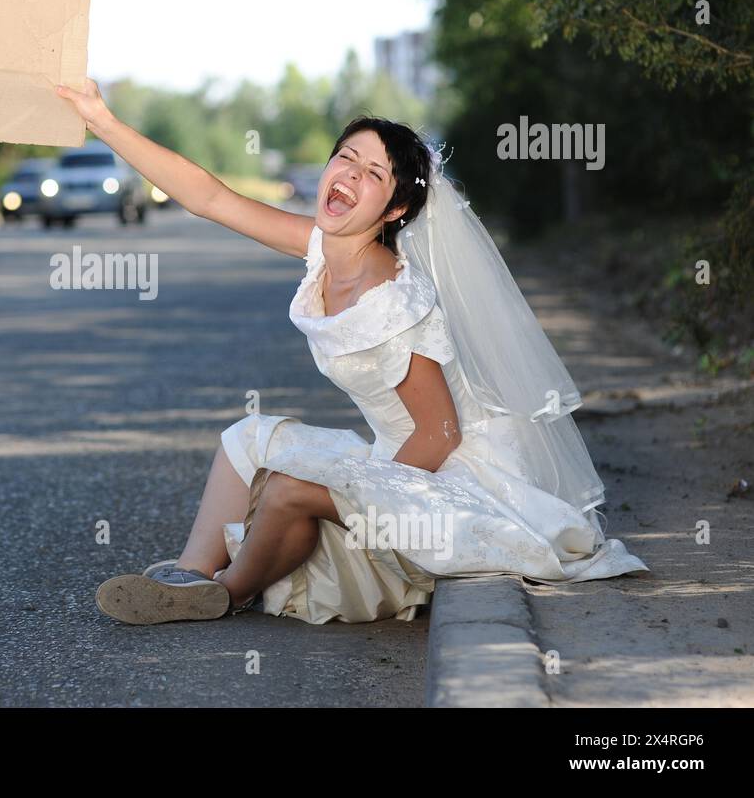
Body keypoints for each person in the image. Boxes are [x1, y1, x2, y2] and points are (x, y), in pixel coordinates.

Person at [55, 80, 649, 626]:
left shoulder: (393, 300)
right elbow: (211, 198)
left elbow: (441, 432)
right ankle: (190, 572)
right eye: (347, 157)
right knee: (248, 438)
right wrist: (101, 119)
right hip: (400, 455)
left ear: (394, 211)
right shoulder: (325, 247)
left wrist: (370, 491)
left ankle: (223, 592)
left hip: (458, 477)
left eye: (375, 173)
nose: (350, 173)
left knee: (290, 489)